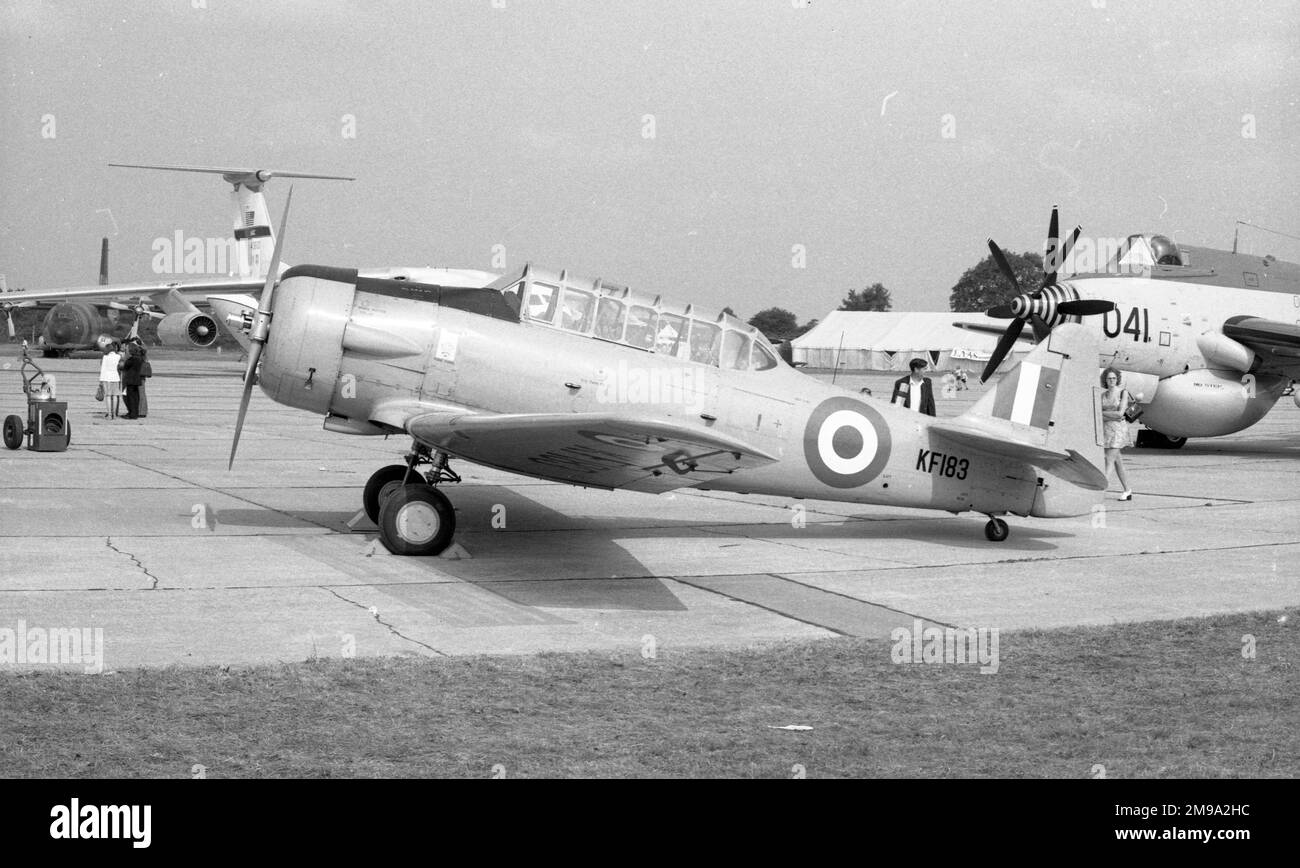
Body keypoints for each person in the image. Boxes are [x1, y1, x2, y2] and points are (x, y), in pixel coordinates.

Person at [1100, 366, 1134, 500]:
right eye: (1109, 378)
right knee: (1117, 462)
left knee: (1108, 460)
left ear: (1117, 379)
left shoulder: (1122, 393)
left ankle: (1100, 490)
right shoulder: (1102, 395)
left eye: (1114, 378)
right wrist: (1111, 415)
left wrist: (1102, 413)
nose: (1112, 380)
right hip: (1106, 430)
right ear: (1105, 380)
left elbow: (1120, 413)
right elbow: (1098, 414)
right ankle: (1128, 490)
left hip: (1119, 430)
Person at [119, 340, 145, 419]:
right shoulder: (139, 358)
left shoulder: (131, 359)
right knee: (136, 398)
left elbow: (123, 367)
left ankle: (132, 414)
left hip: (130, 380)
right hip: (137, 380)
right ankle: (135, 413)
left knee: (130, 398)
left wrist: (123, 360)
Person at [98, 341, 123, 419]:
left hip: (106, 377)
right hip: (115, 377)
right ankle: (114, 415)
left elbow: (103, 369)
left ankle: (109, 414)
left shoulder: (105, 357)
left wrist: (100, 381)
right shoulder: (118, 356)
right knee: (115, 396)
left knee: (108, 396)